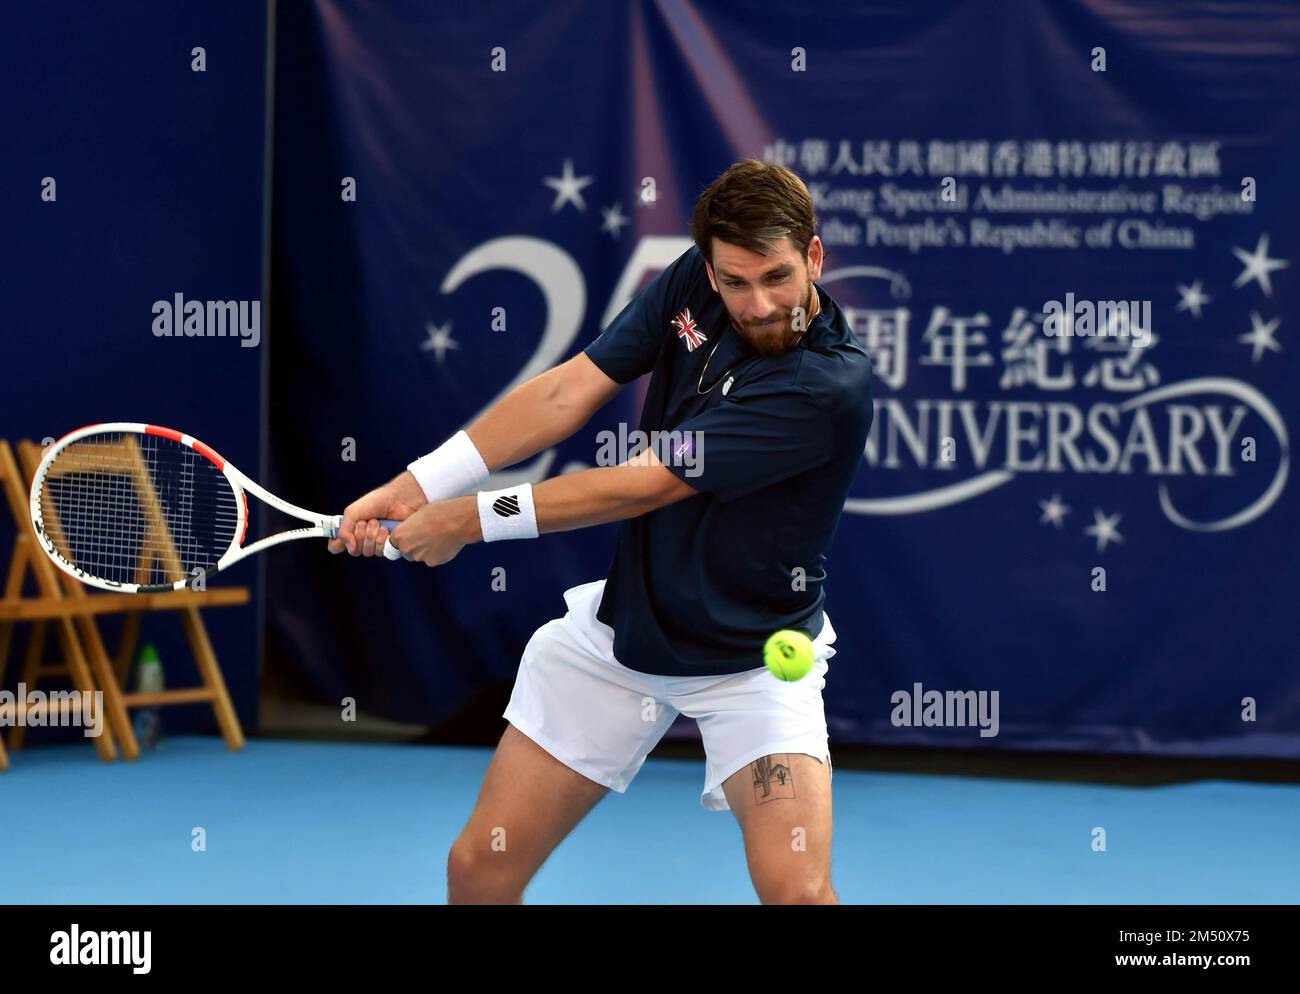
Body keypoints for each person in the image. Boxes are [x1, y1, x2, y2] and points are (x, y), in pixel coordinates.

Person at [329, 159, 874, 904]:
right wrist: (419, 484)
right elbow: (567, 390)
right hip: (626, 639)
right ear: (710, 270)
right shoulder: (696, 280)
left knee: (798, 894)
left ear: (814, 256)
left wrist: (465, 520)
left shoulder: (822, 387)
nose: (759, 304)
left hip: (753, 664)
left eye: (778, 277)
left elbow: (641, 484)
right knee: (479, 869)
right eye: (736, 282)